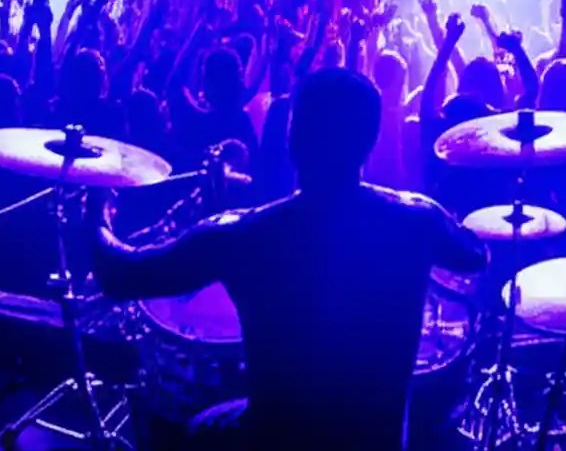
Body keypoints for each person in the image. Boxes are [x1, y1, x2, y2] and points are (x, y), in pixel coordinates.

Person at [92, 68, 487, 451]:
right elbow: (474, 256)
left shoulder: (241, 234)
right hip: (377, 441)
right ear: (371, 138)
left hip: (278, 439)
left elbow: (120, 275)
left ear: (291, 136)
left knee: (190, 426)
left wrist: (97, 208)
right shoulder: (420, 219)